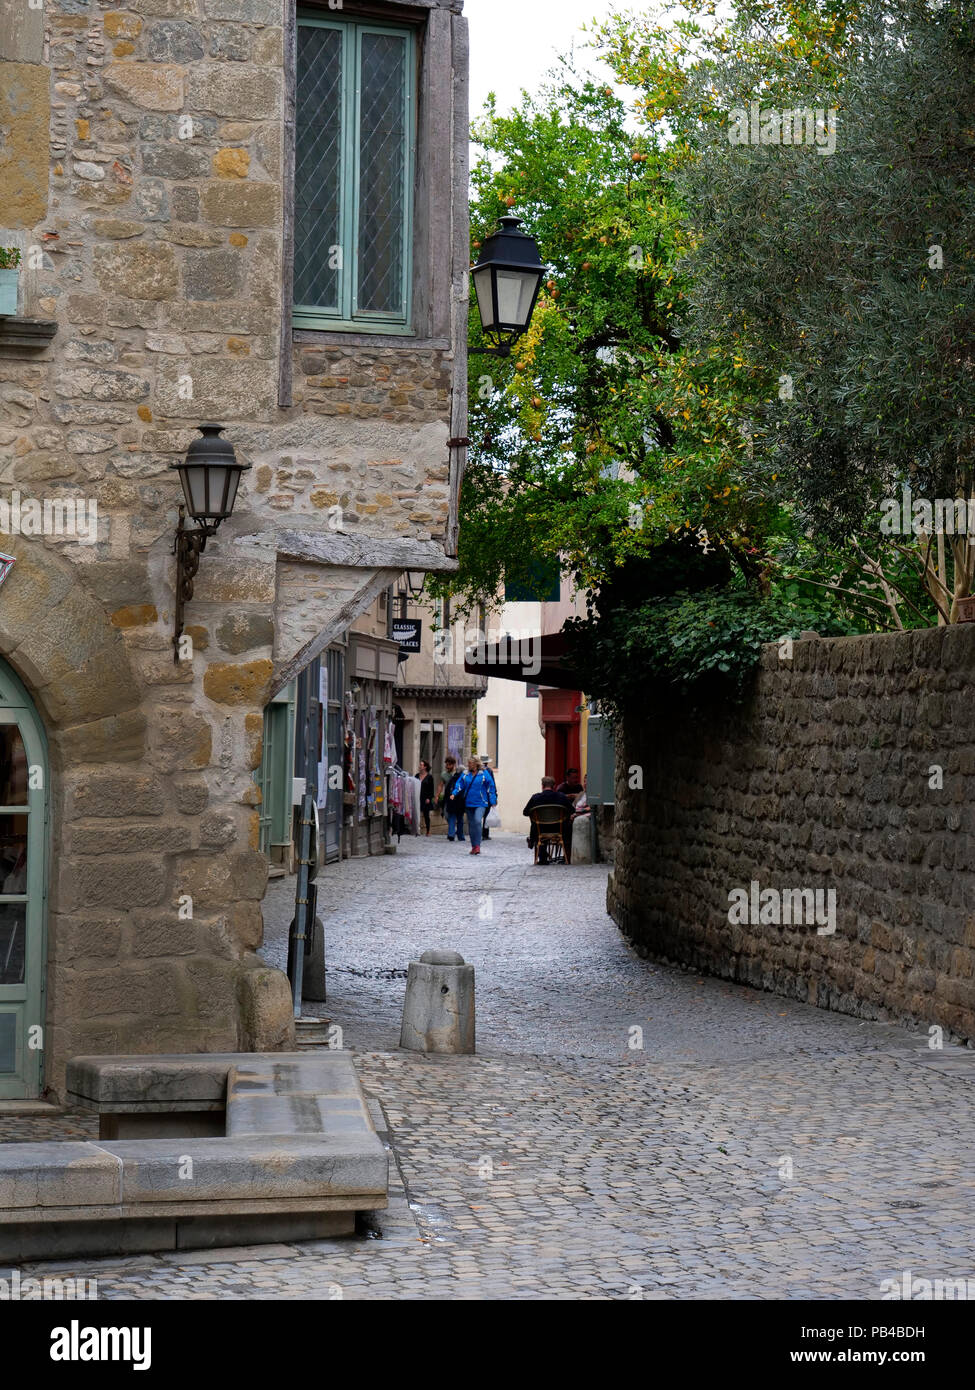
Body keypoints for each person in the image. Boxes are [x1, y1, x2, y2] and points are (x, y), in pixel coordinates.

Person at [523, 776, 574, 865]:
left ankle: (537, 848)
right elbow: (572, 810)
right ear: (554, 786)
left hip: (540, 830)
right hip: (559, 828)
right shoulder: (561, 797)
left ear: (542, 786)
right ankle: (568, 857)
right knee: (568, 825)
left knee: (536, 824)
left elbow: (525, 812)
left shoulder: (535, 798)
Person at [452, 756, 496, 855]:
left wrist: (492, 800)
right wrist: (454, 793)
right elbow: (459, 784)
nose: (468, 765)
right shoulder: (465, 774)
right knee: (471, 825)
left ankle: (477, 845)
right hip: (469, 803)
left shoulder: (484, 773)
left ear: (476, 764)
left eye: (470, 763)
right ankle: (474, 846)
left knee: (477, 821)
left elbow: (491, 786)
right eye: (468, 763)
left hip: (481, 803)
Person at [440, 755, 465, 842]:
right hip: (460, 801)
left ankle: (451, 834)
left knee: (452, 817)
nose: (447, 766)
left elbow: (447, 790)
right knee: (460, 819)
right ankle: (460, 836)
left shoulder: (454, 777)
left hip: (451, 799)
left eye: (449, 764)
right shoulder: (463, 778)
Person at [480, 756, 498, 839]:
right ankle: (485, 834)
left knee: (479, 815)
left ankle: (478, 832)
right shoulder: (489, 771)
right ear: (487, 762)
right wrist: (495, 796)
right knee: (486, 815)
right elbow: (492, 784)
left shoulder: (478, 771)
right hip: (487, 796)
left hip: (479, 795)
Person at [417, 760, 434, 836]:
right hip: (417, 797)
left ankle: (428, 830)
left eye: (421, 765)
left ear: (425, 767)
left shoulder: (429, 777)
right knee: (416, 814)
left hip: (425, 798)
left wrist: (429, 798)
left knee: (426, 815)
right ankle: (417, 829)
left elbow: (431, 789)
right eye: (420, 765)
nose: (419, 766)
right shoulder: (416, 776)